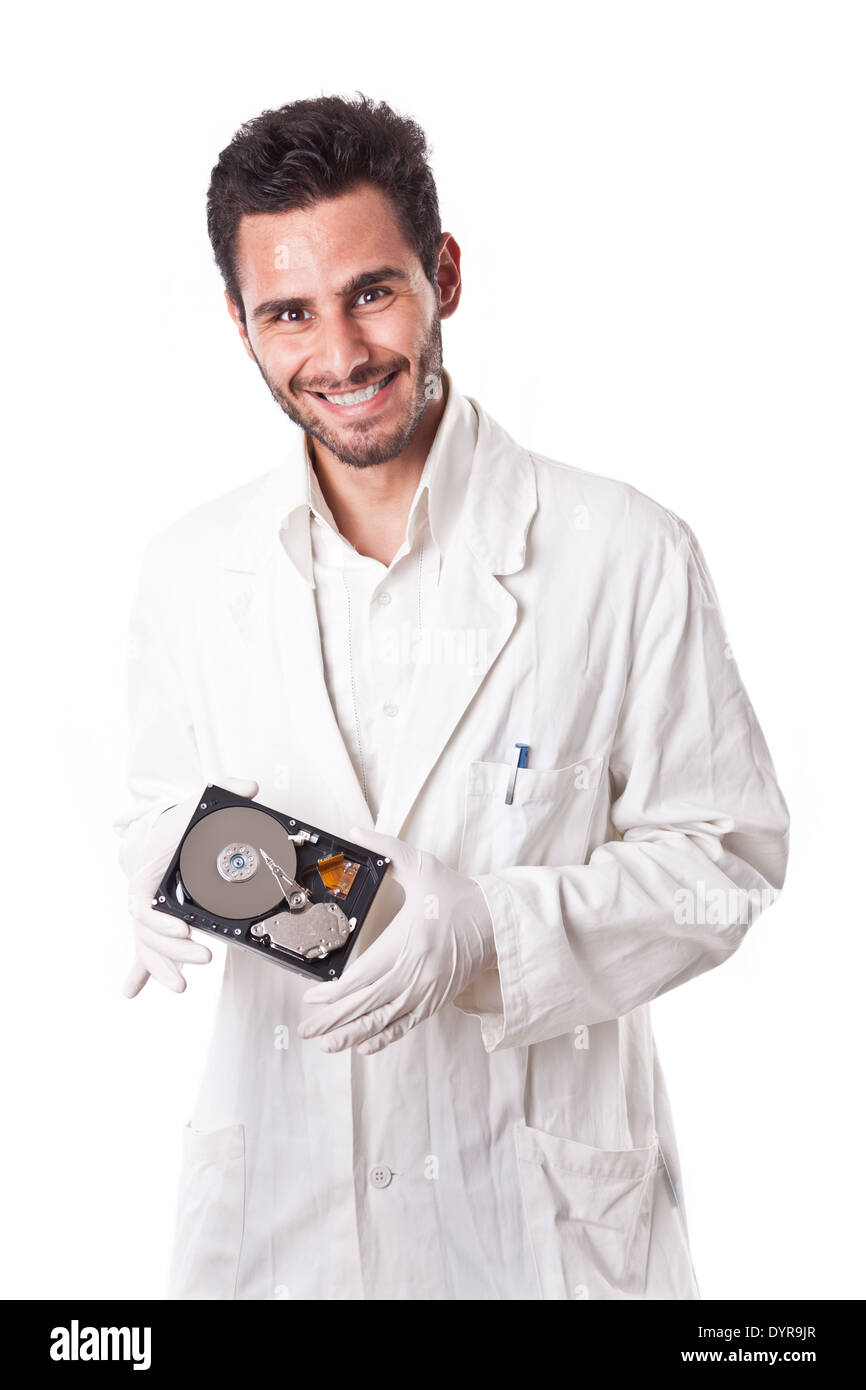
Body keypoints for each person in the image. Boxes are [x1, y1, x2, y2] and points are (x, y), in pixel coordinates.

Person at [115, 94, 790, 1301]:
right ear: (238, 323)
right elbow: (165, 810)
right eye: (287, 312)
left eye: (371, 291)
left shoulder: (619, 551)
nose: (338, 354)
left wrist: (489, 928)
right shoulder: (188, 570)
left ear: (444, 274)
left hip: (536, 1236)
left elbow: (725, 860)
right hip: (280, 1222)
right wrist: (157, 865)